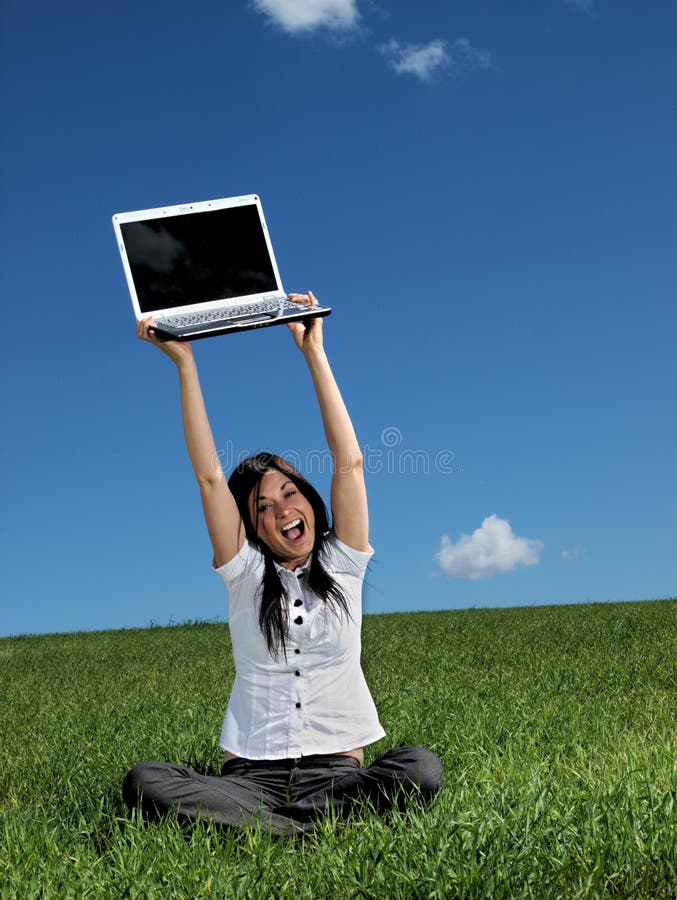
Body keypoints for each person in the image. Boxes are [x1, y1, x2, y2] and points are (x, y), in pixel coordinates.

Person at [122, 291, 444, 835]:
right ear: (252, 528)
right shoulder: (244, 574)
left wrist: (313, 352)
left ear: (310, 501)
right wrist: (185, 365)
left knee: (420, 768)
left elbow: (350, 462)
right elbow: (209, 478)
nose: (282, 510)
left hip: (336, 776)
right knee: (146, 780)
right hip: (249, 777)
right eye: (263, 507)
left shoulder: (343, 563)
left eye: (289, 493)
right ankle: (303, 827)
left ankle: (270, 827)